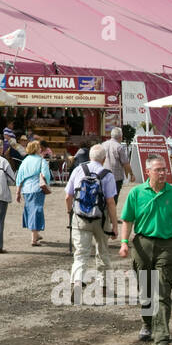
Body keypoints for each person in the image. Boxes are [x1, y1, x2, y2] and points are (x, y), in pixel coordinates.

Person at [118, 156, 172, 345]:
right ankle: (147, 322)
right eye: (158, 170)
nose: (162, 173)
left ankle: (162, 340)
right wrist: (124, 243)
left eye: (164, 170)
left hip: (166, 246)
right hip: (142, 244)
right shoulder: (136, 193)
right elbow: (127, 220)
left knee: (162, 291)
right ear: (148, 171)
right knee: (146, 289)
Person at [65, 144, 119, 302]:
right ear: (104, 159)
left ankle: (77, 282)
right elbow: (110, 202)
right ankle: (105, 288)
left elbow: (68, 196)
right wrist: (114, 225)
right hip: (101, 219)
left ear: (89, 157)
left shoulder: (78, 170)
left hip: (80, 217)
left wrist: (70, 213)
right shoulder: (107, 175)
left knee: (81, 253)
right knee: (103, 252)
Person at [15, 140, 52, 247]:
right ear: (36, 149)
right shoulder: (41, 161)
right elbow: (46, 175)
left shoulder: (25, 161)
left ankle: (36, 233)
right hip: (37, 188)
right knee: (36, 211)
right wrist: (47, 184)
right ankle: (34, 238)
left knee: (30, 210)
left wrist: (18, 192)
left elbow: (19, 177)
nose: (41, 149)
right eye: (39, 147)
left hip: (26, 189)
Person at [99, 128, 134, 236]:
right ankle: (109, 218)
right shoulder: (119, 147)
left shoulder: (103, 144)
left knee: (102, 196)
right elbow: (125, 163)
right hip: (116, 177)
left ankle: (103, 215)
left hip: (102, 175)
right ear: (120, 136)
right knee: (113, 199)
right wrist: (131, 174)